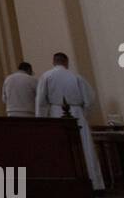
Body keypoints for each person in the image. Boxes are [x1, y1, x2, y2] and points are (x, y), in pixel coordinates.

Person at [36, 53, 104, 190]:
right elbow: (89, 99)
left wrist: (41, 119)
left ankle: (63, 183)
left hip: (56, 113)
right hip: (77, 113)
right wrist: (83, 113)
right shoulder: (76, 77)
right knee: (85, 149)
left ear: (53, 62)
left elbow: (41, 101)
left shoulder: (47, 76)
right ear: (66, 63)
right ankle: (94, 184)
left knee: (59, 148)